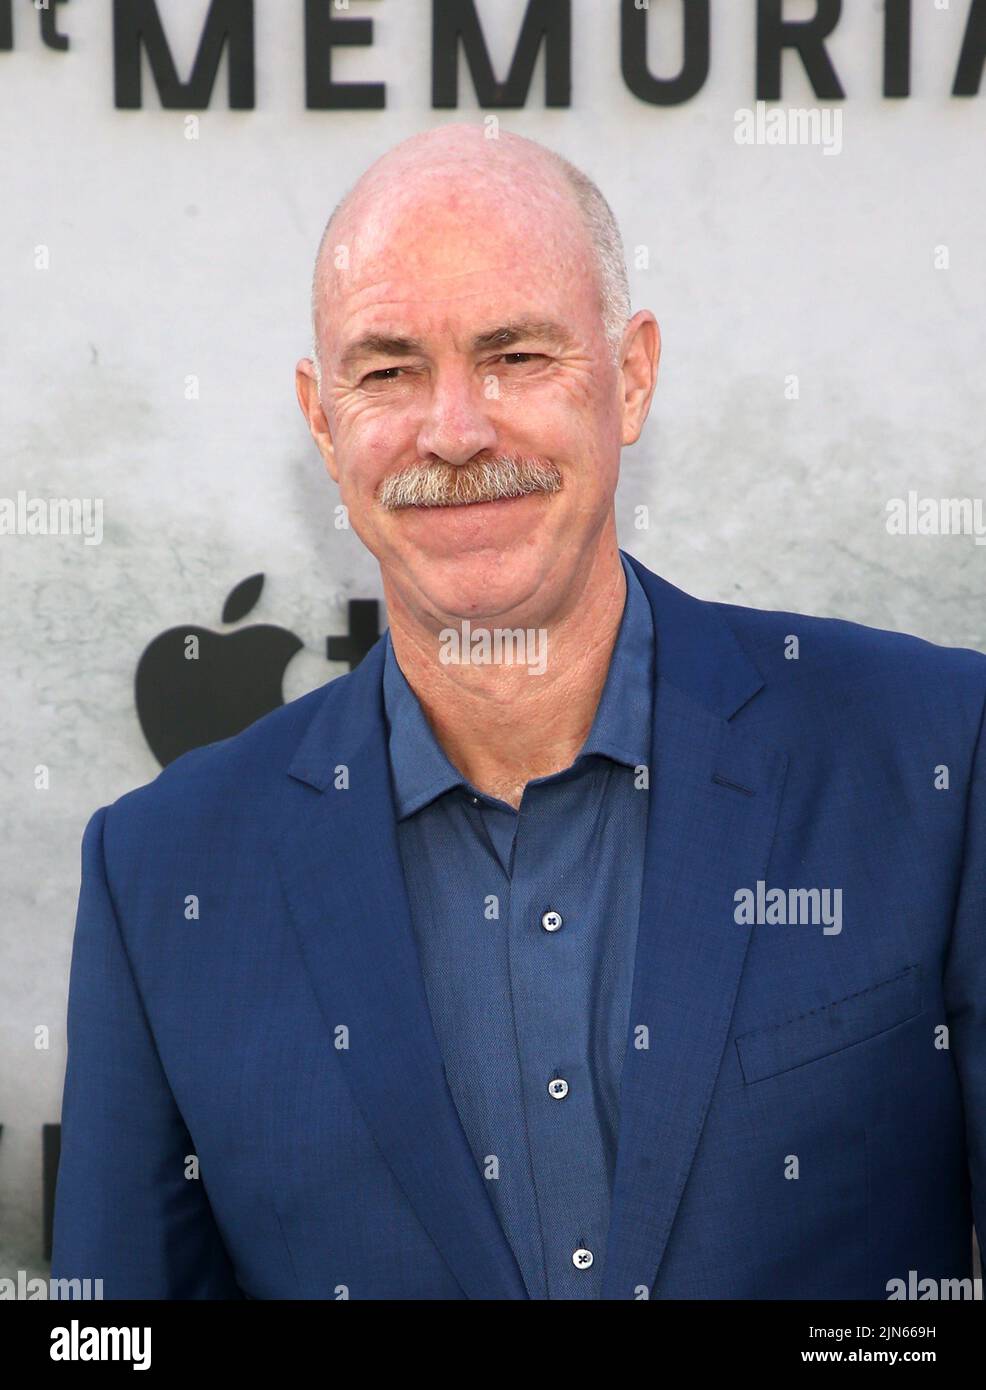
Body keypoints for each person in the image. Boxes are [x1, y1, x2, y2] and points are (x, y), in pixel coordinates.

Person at [51, 124, 985, 1300]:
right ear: (320, 417)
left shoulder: (932, 762)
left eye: (514, 355)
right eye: (386, 369)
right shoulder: (162, 875)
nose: (453, 429)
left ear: (630, 375)